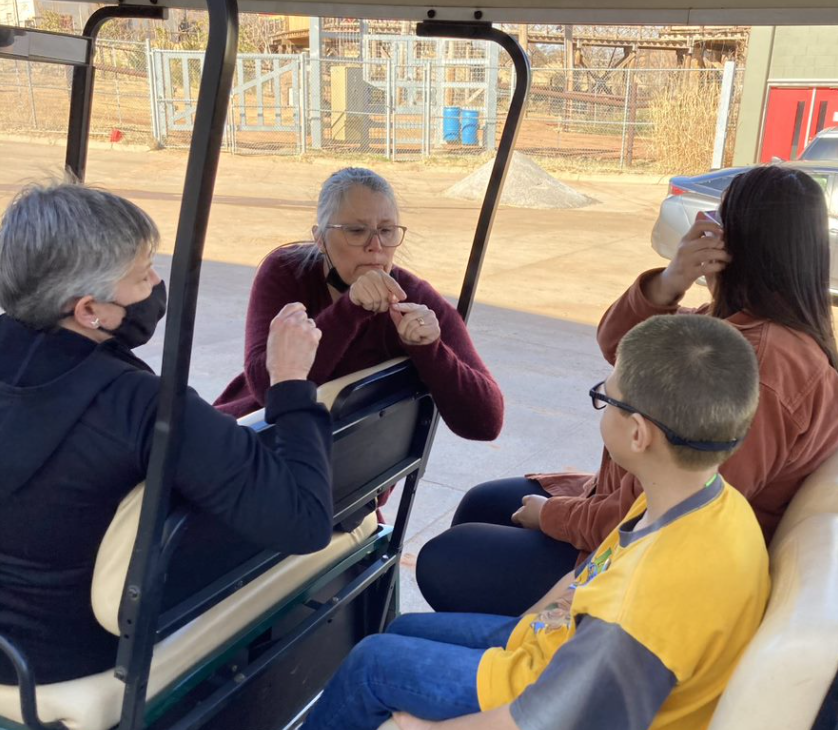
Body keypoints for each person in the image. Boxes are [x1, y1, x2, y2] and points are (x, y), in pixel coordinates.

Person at [302, 314, 770, 730]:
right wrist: (524, 631)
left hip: (542, 690)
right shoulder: (700, 500)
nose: (602, 402)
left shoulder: (638, 611)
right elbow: (583, 579)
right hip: (552, 648)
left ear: (637, 433)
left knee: (372, 664)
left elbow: (546, 720)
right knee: (400, 634)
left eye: (606, 397)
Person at [417, 164, 838, 616]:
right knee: (481, 503)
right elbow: (620, 346)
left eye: (718, 221)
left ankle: (524, 658)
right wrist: (671, 279)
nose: (704, 230)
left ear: (736, 245)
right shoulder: (734, 326)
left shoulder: (762, 367)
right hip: (620, 505)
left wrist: (553, 516)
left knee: (443, 559)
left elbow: (670, 512)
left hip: (653, 570)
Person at [0, 182, 334, 685]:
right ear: (90, 310)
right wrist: (290, 384)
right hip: (59, 663)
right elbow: (304, 522)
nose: (156, 283)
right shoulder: (142, 406)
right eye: (142, 276)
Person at [213, 167, 503, 443]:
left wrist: (431, 350)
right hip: (248, 436)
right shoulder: (287, 271)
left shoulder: (413, 298)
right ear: (321, 238)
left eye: (387, 231)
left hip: (335, 472)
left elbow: (486, 422)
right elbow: (269, 390)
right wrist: (351, 309)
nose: (375, 245)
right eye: (356, 231)